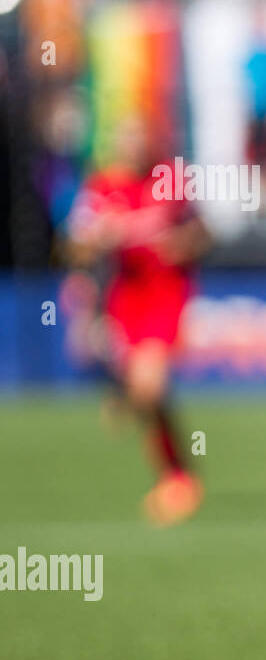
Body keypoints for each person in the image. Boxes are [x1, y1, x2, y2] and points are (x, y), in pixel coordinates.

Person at [65, 117, 210, 526]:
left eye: (141, 138)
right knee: (141, 388)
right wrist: (96, 239)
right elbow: (73, 246)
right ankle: (172, 470)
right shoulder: (102, 189)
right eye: (127, 139)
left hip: (165, 295)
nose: (135, 148)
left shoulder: (173, 181)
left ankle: (178, 477)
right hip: (125, 298)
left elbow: (203, 235)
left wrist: (179, 245)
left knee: (150, 384)